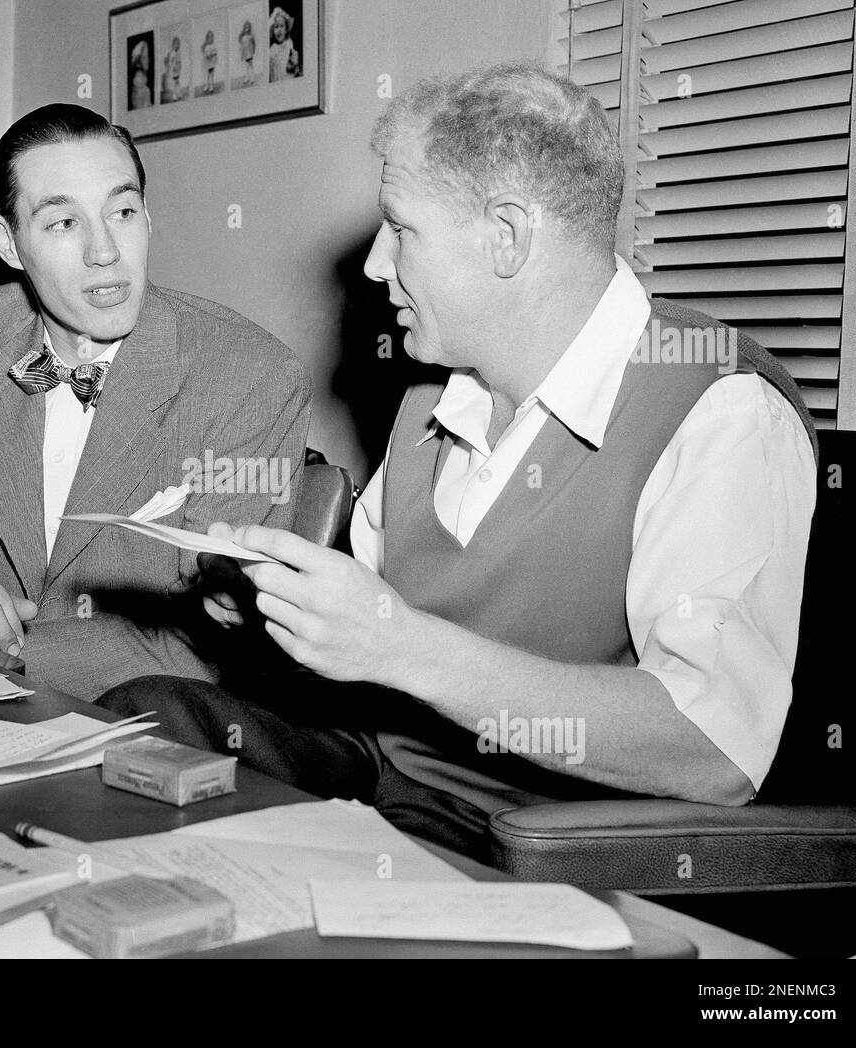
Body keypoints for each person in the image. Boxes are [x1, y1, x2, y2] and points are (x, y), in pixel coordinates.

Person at [100, 65, 818, 860]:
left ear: (506, 236)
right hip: (383, 775)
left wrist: (399, 644)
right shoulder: (435, 398)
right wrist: (275, 605)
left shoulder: (720, 409)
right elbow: (368, 653)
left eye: (401, 229)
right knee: (144, 718)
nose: (375, 264)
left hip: (536, 842)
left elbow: (713, 752)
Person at [0, 104, 310, 700]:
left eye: (122, 211)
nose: (104, 251)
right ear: (10, 243)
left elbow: (208, 641)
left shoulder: (248, 373)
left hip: (155, 731)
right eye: (63, 223)